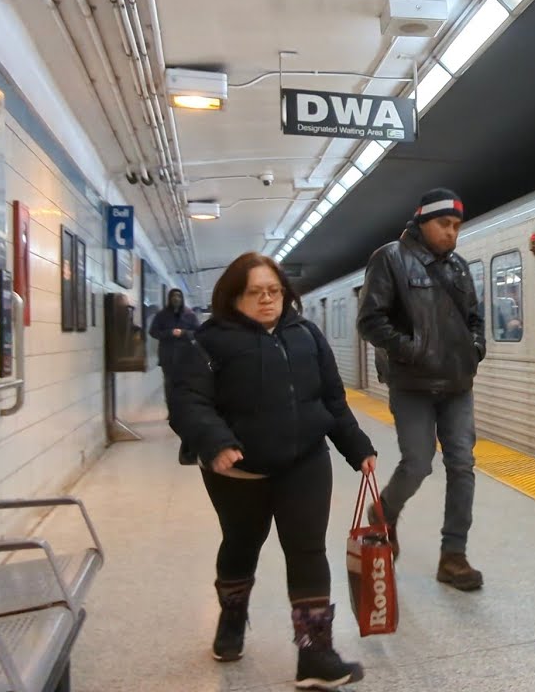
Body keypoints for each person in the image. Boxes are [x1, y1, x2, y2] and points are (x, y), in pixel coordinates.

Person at [169, 252, 377, 689]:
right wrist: (216, 442)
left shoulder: (307, 335)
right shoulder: (208, 342)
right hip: (240, 471)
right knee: (242, 545)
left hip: (305, 461)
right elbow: (188, 401)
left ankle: (315, 653)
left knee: (307, 550)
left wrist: (356, 446)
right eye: (255, 292)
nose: (267, 300)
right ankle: (232, 617)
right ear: (234, 297)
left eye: (274, 291)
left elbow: (332, 400)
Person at [356, 187, 487, 591]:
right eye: (444, 224)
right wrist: (413, 350)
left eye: (457, 226)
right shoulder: (390, 259)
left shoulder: (459, 268)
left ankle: (453, 555)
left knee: (462, 464)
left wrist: (474, 349)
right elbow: (370, 320)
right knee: (418, 461)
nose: (452, 233)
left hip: (457, 383)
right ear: (423, 221)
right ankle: (383, 515)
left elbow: (474, 319)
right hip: (412, 382)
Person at [149, 288, 199, 395]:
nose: (176, 298)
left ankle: (184, 408)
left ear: (182, 299)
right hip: (167, 355)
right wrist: (170, 333)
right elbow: (153, 332)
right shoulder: (161, 315)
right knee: (169, 383)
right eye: (173, 296)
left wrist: (184, 333)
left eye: (179, 296)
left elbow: (198, 332)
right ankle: (172, 409)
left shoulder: (190, 314)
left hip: (186, 355)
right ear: (169, 298)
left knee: (185, 383)